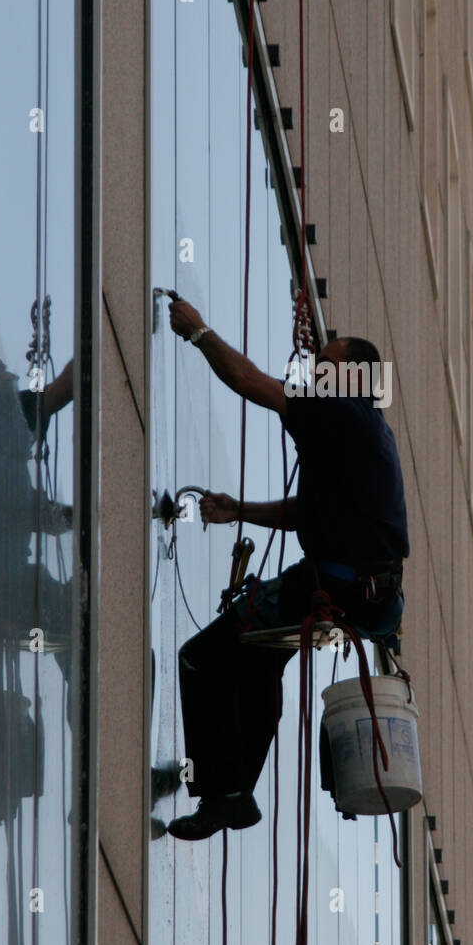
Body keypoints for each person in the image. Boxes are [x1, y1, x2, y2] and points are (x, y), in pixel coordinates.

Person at [165, 297, 409, 840]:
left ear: (351, 377)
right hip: (363, 593)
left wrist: (198, 332)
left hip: (339, 586)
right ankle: (234, 794)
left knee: (200, 659)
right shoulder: (367, 433)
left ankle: (220, 791)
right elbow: (312, 512)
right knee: (256, 662)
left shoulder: (342, 412)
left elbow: (253, 383)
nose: (316, 369)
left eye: (326, 363)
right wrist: (242, 510)